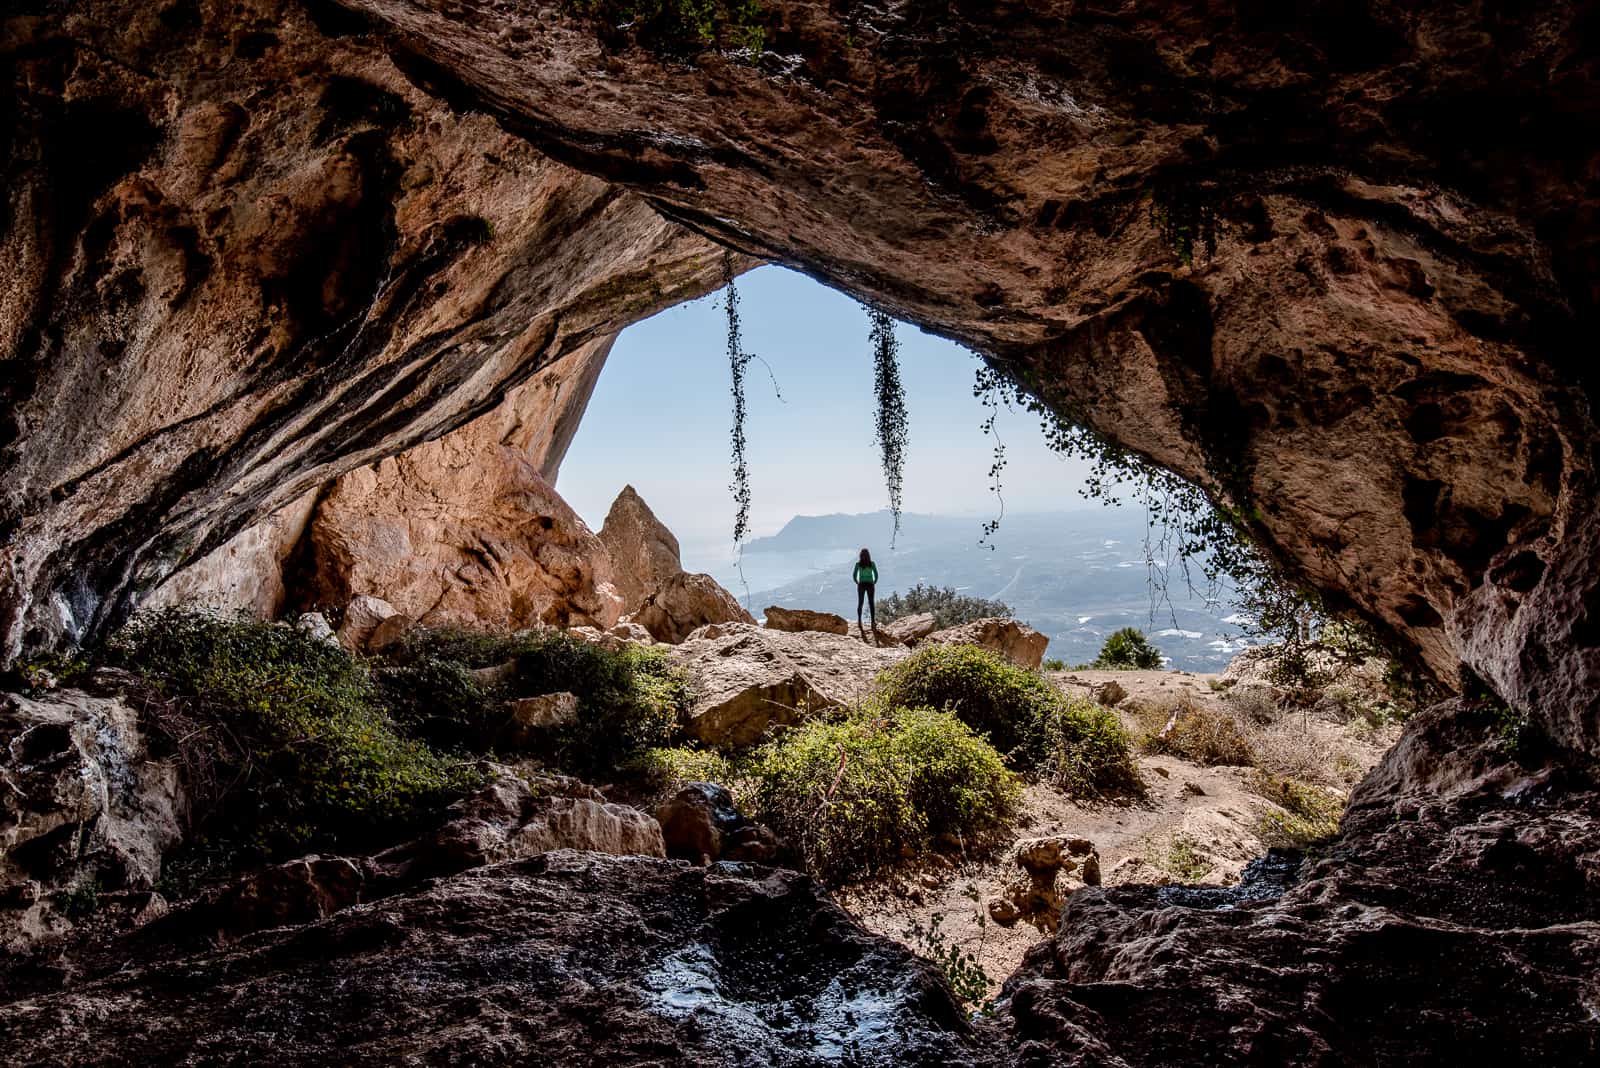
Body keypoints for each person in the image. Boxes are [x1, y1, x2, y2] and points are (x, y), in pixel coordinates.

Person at [853, 548, 878, 640]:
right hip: (870, 584)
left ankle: (859, 621)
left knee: (860, 603)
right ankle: (872, 622)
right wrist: (874, 582)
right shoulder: (872, 564)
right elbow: (876, 574)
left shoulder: (858, 564)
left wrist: (857, 582)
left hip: (861, 585)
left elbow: (854, 575)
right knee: (871, 603)